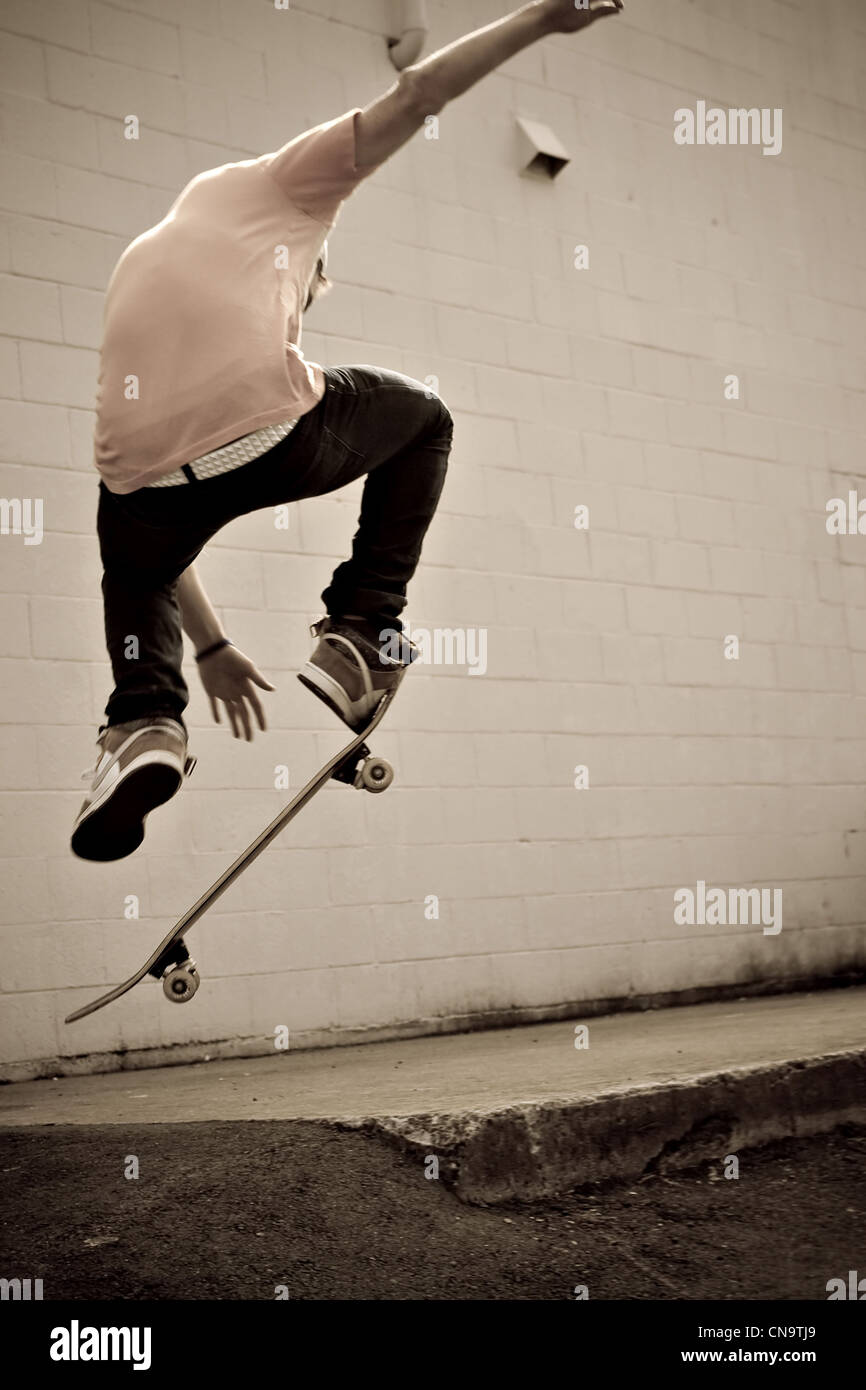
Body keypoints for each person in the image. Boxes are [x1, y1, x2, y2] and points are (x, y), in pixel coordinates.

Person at [72, 0, 623, 862]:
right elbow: (419, 92)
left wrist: (210, 645)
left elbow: (167, 525)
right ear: (314, 254)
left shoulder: (148, 254)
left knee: (132, 547)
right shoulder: (292, 187)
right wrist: (543, 20)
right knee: (424, 419)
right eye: (312, 292)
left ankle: (145, 722)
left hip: (143, 476)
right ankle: (363, 631)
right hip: (271, 430)